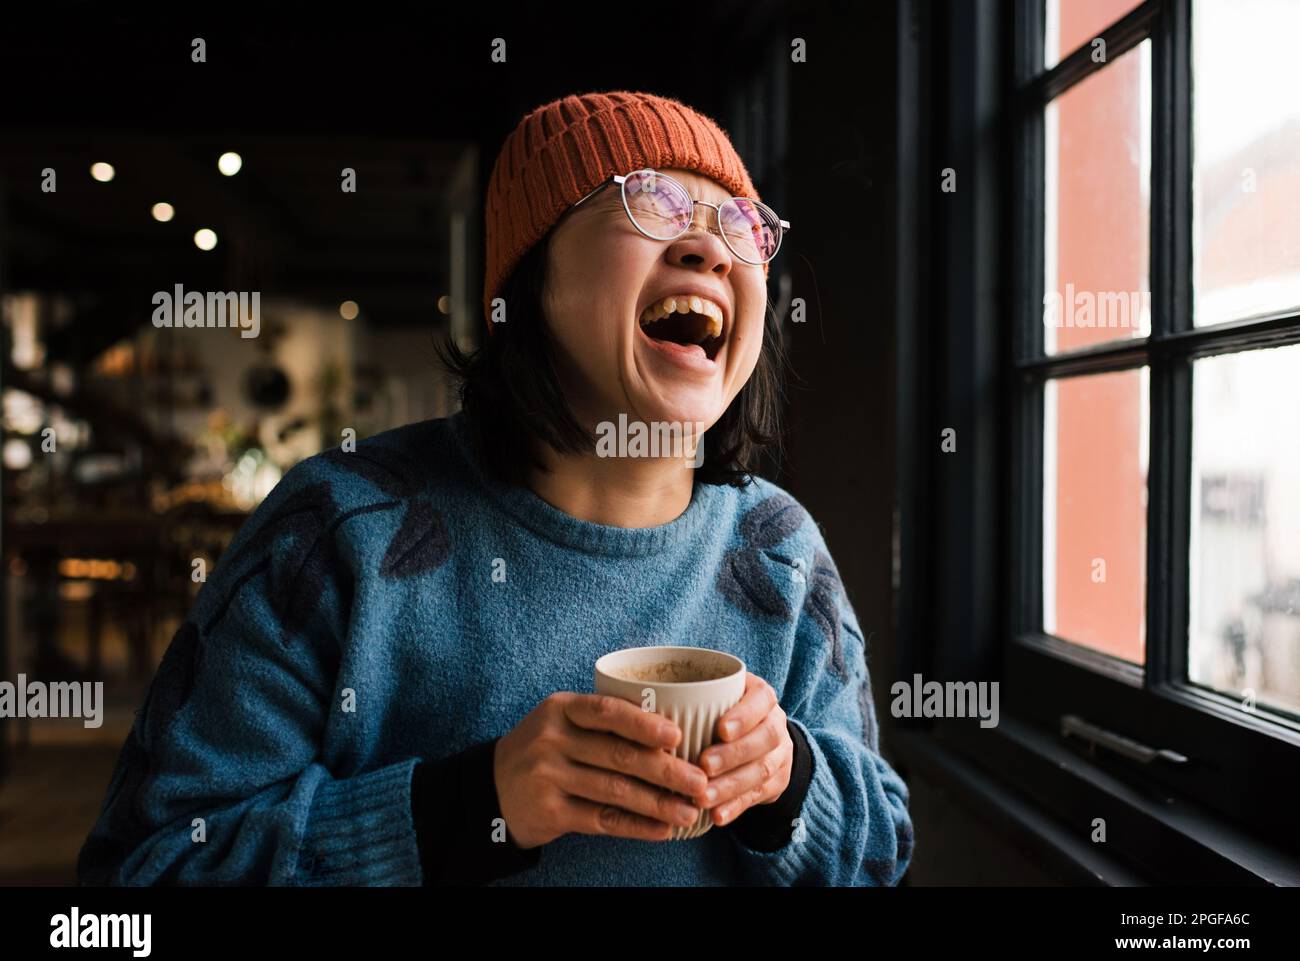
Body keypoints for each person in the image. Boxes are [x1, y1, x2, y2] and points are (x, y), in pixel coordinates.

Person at [77, 90, 913, 886]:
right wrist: (471, 806)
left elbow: (881, 852)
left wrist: (789, 782)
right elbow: (146, 863)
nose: (709, 246)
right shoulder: (341, 526)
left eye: (739, 223)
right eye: (650, 200)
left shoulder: (777, 544)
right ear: (529, 280)